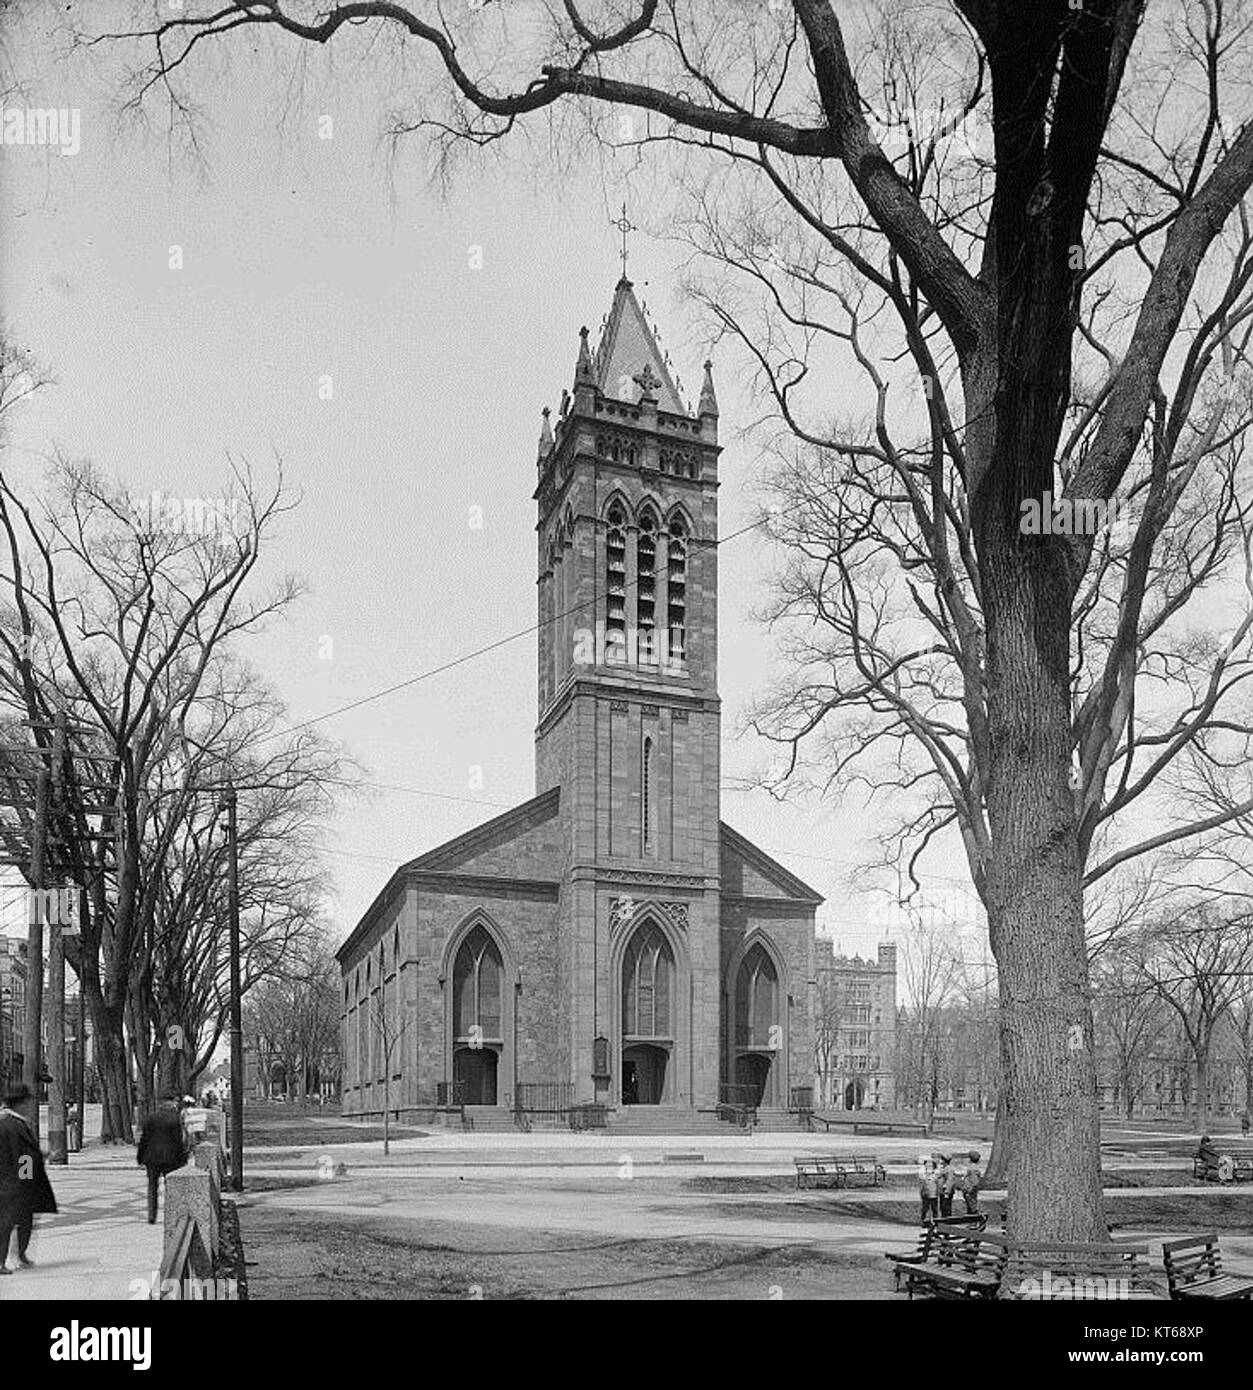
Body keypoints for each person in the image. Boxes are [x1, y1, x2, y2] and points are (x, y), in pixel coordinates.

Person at [0, 1084, 58, 1273]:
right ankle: (2, 1261)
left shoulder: (15, 1122)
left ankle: (20, 1254)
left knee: (24, 1219)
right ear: (18, 1103)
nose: (28, 1105)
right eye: (26, 1101)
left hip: (17, 1180)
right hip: (12, 1181)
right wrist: (26, 1177)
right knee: (7, 1222)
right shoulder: (9, 1124)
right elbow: (21, 1155)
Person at [137, 1095, 188, 1225]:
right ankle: (170, 1214)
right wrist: (182, 1158)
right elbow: (178, 1141)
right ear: (170, 1104)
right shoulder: (175, 1119)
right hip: (170, 1158)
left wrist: (140, 1156)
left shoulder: (151, 1118)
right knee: (170, 1187)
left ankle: (151, 1216)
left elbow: (144, 1139)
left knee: (152, 1187)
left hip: (152, 1158)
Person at [918, 1153, 939, 1225]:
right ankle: (924, 1220)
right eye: (927, 1165)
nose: (928, 1166)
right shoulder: (924, 1174)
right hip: (927, 1193)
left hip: (933, 1194)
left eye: (930, 1165)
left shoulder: (935, 1174)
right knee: (925, 1208)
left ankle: (935, 1221)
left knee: (934, 1209)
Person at [961, 1150, 983, 1216]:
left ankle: (974, 1221)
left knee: (972, 1207)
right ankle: (972, 1221)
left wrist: (969, 1190)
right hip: (968, 1189)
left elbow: (974, 1182)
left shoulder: (972, 1169)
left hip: (970, 1191)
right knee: (970, 1207)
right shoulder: (973, 1167)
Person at [936, 1152, 955, 1218]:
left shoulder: (949, 1169)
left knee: (946, 1208)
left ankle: (947, 1221)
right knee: (942, 1207)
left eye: (941, 1159)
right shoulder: (944, 1168)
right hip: (942, 1191)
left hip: (946, 1192)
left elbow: (950, 1181)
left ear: (944, 1161)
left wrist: (947, 1192)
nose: (940, 1161)